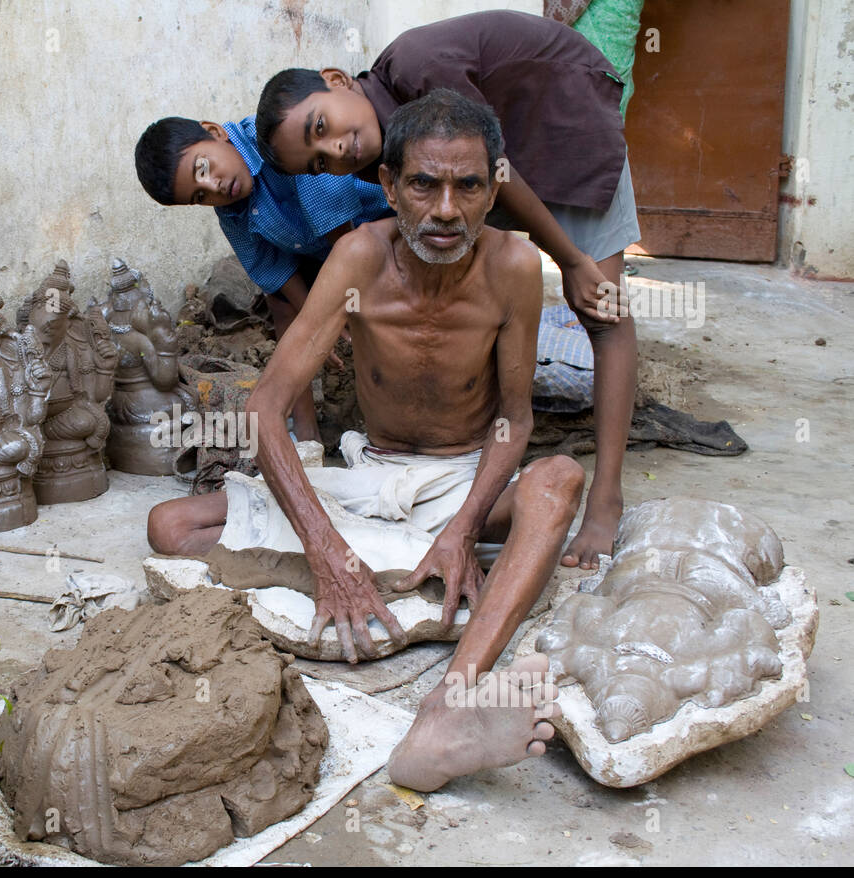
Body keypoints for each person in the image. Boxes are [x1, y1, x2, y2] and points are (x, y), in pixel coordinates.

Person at [148, 91, 582, 791]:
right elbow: (265, 410)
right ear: (387, 186)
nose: (446, 210)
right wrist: (328, 552)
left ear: (494, 185)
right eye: (423, 184)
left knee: (558, 480)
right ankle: (382, 571)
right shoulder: (356, 258)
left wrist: (467, 525)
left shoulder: (515, 268)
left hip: (462, 483)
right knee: (170, 525)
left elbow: (516, 420)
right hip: (371, 471)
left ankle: (448, 707)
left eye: (469, 186)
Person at [254, 10, 639, 569]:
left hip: (565, 116)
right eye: (318, 161)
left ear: (337, 80)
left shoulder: (417, 65)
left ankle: (607, 501)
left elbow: (498, 170)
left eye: (321, 127)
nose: (336, 151)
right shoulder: (379, 161)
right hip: (494, 165)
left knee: (603, 308)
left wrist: (572, 260)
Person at [135, 115, 392, 440]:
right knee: (281, 302)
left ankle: (389, 414)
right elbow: (274, 269)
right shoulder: (230, 210)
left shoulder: (275, 135)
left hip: (378, 224)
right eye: (200, 197)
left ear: (214, 132)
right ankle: (306, 435)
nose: (214, 187)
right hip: (334, 252)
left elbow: (336, 222)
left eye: (203, 168)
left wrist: (333, 306)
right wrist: (311, 321)